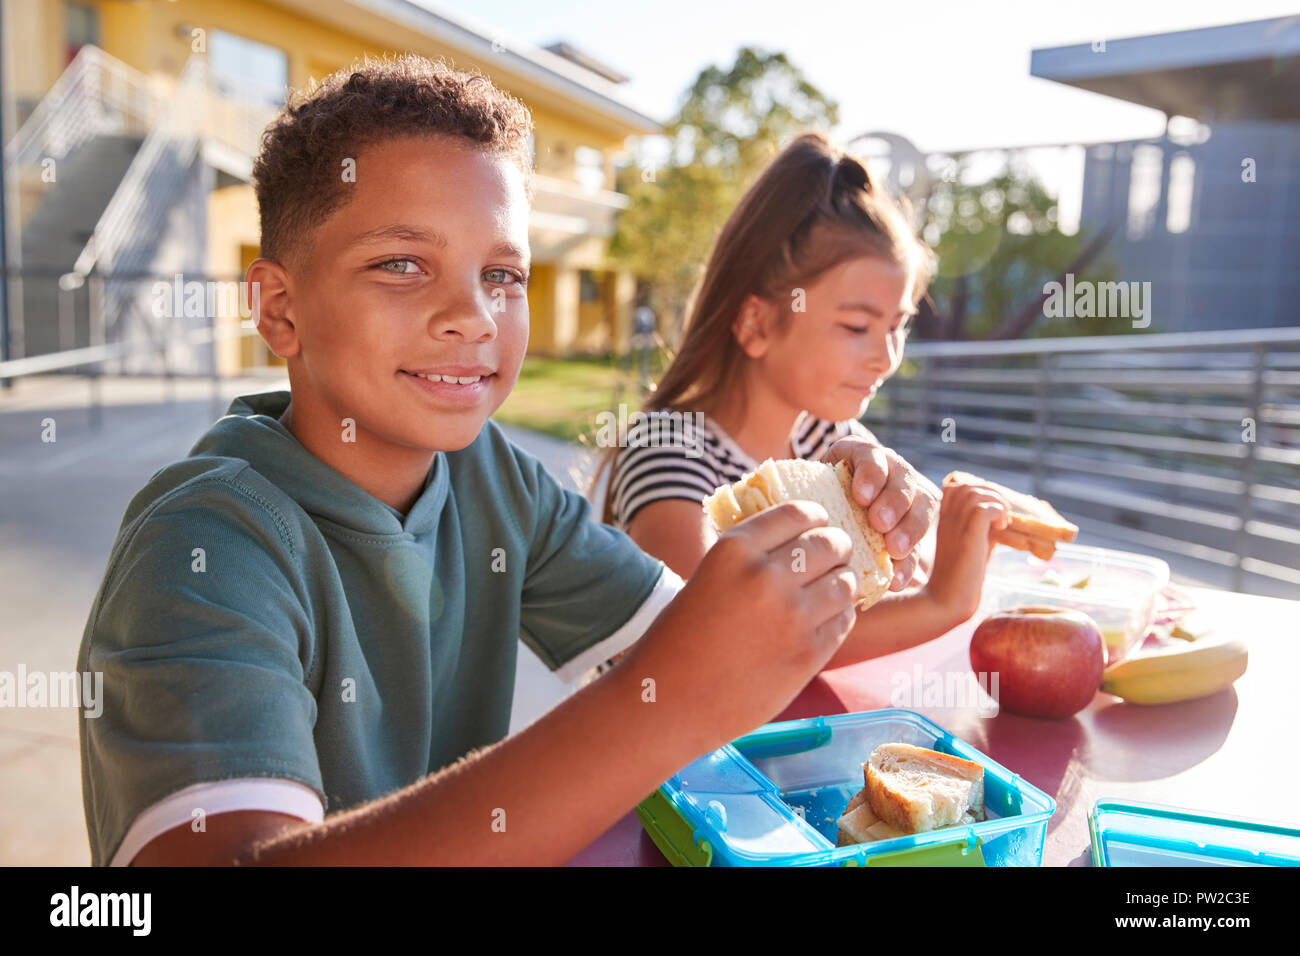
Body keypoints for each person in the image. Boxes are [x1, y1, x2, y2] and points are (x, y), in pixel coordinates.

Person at [75, 56, 936, 866]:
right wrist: (670, 701)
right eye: (402, 264)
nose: (474, 314)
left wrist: (842, 527)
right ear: (279, 309)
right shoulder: (203, 548)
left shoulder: (493, 479)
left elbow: (711, 637)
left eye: (503, 275)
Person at [599, 132, 1011, 669]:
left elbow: (899, 579)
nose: (886, 358)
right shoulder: (665, 449)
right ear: (757, 323)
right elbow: (716, 644)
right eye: (857, 326)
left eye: (898, 325)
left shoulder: (827, 438)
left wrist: (930, 547)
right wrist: (940, 604)